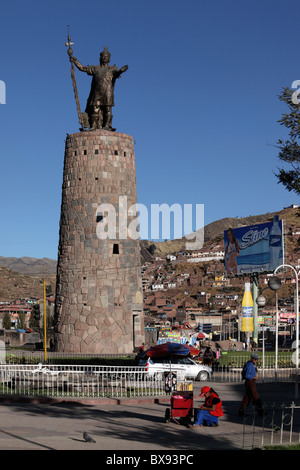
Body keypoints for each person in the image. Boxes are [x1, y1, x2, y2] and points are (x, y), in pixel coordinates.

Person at [70, 46, 128, 130]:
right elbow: (82, 68)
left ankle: (107, 126)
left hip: (108, 92)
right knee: (95, 109)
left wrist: (121, 70)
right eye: (103, 56)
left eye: (106, 57)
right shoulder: (95, 68)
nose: (104, 58)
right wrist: (75, 60)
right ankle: (93, 126)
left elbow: (117, 72)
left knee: (108, 109)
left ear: (109, 59)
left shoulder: (112, 68)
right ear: (100, 58)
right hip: (97, 92)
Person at [238, 352, 264, 417]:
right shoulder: (250, 364)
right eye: (255, 359)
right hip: (250, 382)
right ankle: (260, 411)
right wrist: (254, 377)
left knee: (247, 398)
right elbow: (247, 375)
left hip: (251, 382)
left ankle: (241, 411)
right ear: (251, 358)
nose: (256, 360)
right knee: (255, 396)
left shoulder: (251, 364)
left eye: (256, 359)